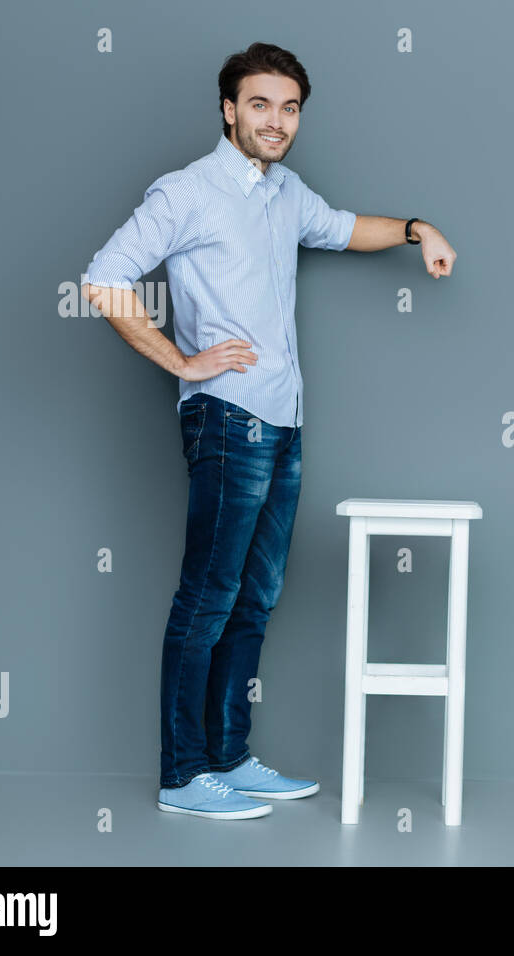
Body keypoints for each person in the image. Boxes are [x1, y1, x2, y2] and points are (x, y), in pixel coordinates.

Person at [82, 42, 457, 821]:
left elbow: (349, 227)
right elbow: (104, 280)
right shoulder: (188, 193)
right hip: (226, 420)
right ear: (229, 110)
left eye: (288, 108)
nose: (275, 121)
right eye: (260, 104)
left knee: (256, 599)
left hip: (284, 423)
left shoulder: (286, 193)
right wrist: (183, 360)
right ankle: (184, 775)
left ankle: (229, 757)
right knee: (209, 597)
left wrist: (420, 229)